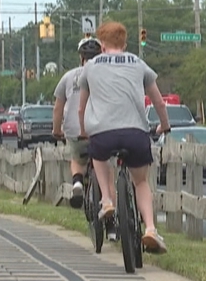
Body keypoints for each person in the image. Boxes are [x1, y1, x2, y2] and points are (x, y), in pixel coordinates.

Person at [77, 21, 171, 254]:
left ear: (102, 44)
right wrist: (164, 126)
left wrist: (84, 131)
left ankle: (107, 200)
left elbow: (81, 108)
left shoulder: (90, 67)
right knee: (140, 182)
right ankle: (149, 228)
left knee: (98, 156)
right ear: (125, 43)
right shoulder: (139, 64)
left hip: (103, 133)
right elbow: (158, 101)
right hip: (135, 132)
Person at [52, 36, 104, 209]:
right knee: (105, 161)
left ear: (81, 58)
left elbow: (58, 108)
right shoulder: (106, 75)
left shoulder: (68, 77)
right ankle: (107, 197)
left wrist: (56, 130)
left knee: (77, 158)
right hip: (100, 128)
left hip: (75, 130)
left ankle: (77, 183)